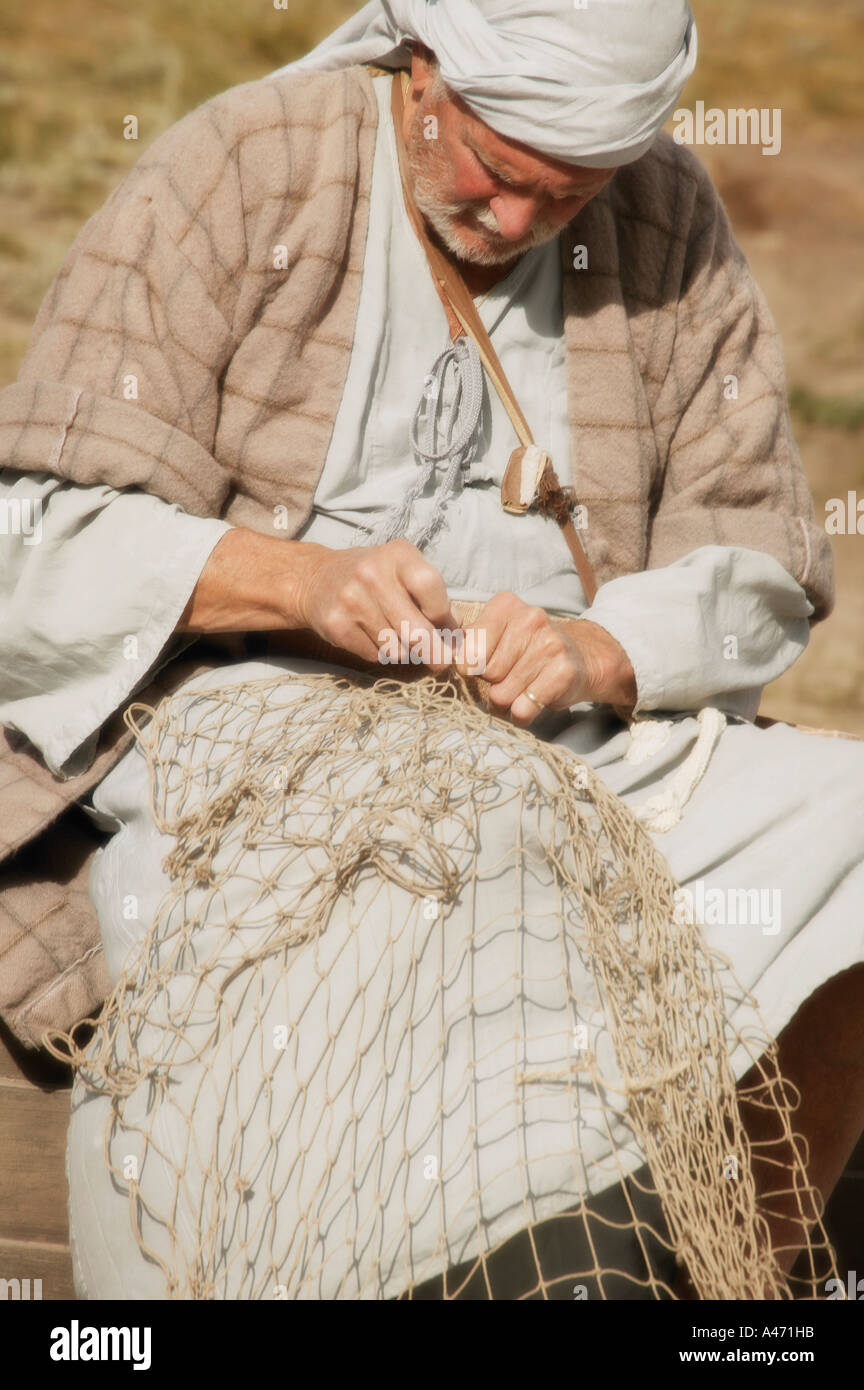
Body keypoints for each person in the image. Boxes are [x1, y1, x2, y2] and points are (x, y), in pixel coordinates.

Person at [1, 0, 862, 1299]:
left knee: (845, 821)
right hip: (250, 735)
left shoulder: (664, 214)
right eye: (496, 169)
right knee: (475, 838)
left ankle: (726, 1281)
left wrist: (598, 647)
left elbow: (766, 565)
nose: (515, 222)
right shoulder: (246, 167)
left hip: (564, 744)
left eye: (564, 197)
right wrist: (299, 583)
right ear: (422, 65)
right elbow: (34, 543)